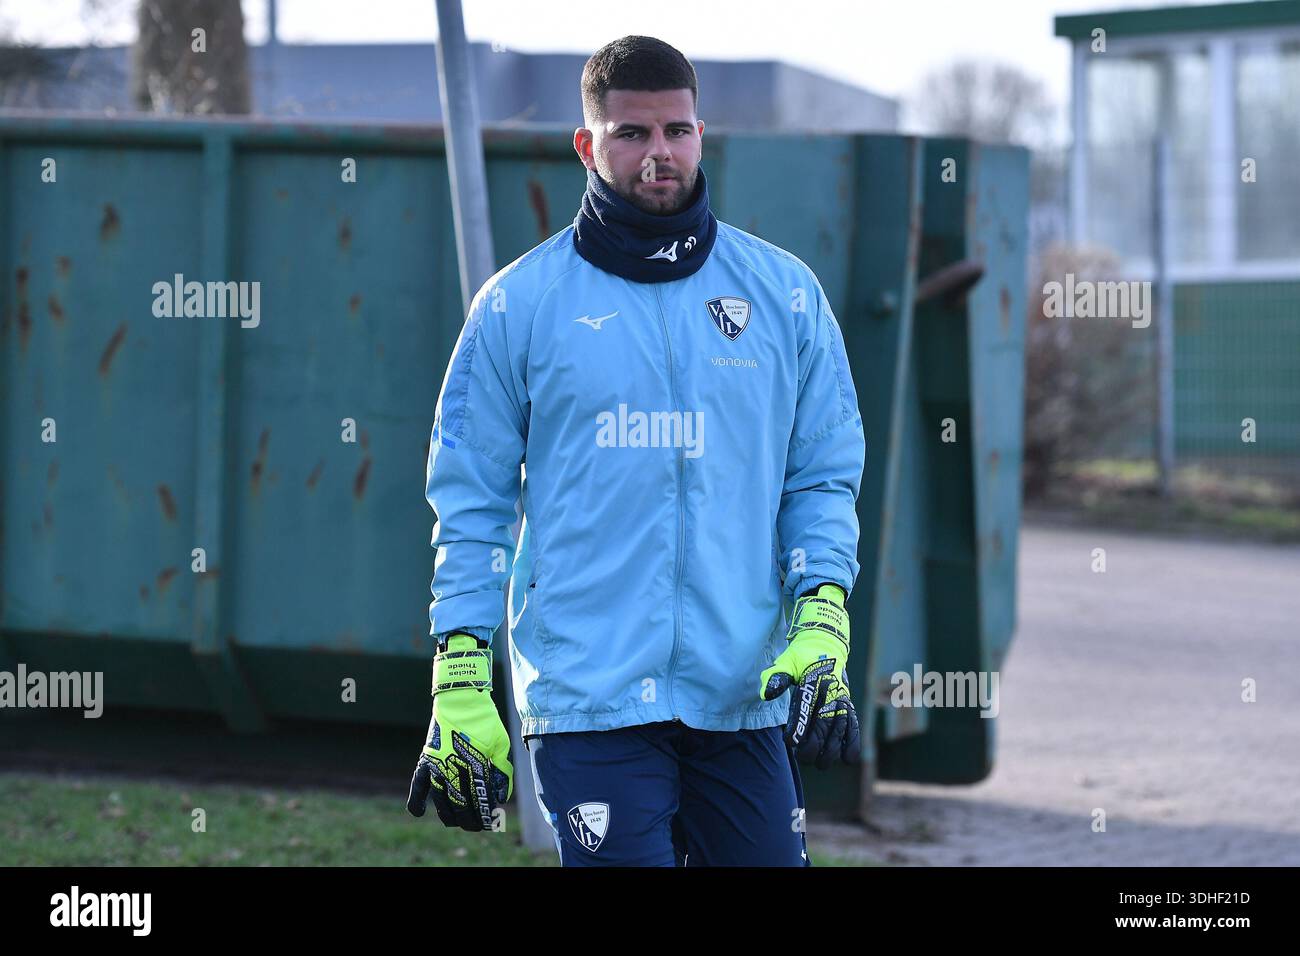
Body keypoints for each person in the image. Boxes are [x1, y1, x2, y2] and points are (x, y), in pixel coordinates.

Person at [406, 35, 865, 867]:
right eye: (632, 134)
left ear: (700, 133)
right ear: (588, 144)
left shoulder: (786, 294)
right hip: (591, 699)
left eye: (677, 131)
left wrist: (823, 609)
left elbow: (823, 475)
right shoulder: (517, 306)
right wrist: (462, 666)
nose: (661, 154)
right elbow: (468, 498)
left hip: (743, 692)